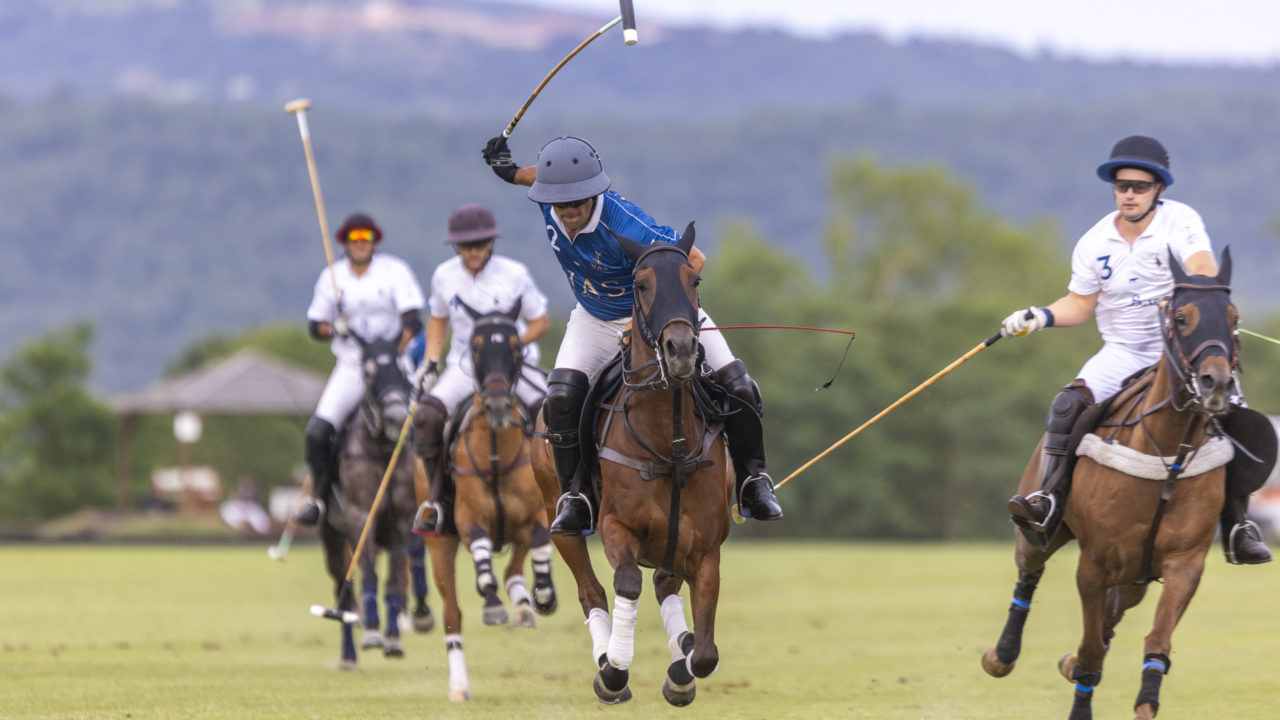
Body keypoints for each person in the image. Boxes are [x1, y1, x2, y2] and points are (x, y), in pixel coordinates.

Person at [481, 133, 783, 536]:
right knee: (560, 398)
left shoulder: (624, 221)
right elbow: (548, 179)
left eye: (578, 201)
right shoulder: (552, 201)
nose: (568, 209)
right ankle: (577, 497)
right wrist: (511, 172)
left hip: (658, 317)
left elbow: (692, 259)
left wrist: (646, 321)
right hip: (592, 318)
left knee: (739, 385)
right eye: (560, 201)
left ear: (593, 192)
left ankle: (753, 481)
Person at [1000, 135, 1271, 564]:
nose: (1129, 193)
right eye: (1122, 185)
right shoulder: (1094, 243)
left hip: (1182, 353)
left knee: (1237, 417)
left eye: (1140, 186)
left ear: (1158, 189)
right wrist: (1041, 315)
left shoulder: (1179, 222)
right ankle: (1047, 501)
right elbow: (1080, 304)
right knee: (1067, 406)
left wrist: (1186, 293)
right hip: (1123, 350)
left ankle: (1238, 523)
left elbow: (1203, 267)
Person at [411, 202, 552, 535]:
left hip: (513, 366)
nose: (472, 251)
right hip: (465, 365)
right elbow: (437, 321)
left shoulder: (514, 274)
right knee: (428, 417)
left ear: (491, 243)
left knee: (552, 413)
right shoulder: (444, 276)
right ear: (456, 245)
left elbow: (540, 321)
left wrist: (514, 344)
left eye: (479, 244)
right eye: (465, 245)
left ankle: (566, 495)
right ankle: (437, 500)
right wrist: (430, 360)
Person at [294, 213, 426, 526]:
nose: (361, 244)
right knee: (318, 432)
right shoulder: (332, 276)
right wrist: (334, 328)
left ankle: (435, 498)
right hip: (353, 366)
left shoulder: (395, 271)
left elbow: (413, 320)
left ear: (374, 241)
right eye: (355, 239)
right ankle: (319, 498)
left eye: (366, 238)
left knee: (428, 424)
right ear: (344, 243)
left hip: (395, 364)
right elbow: (316, 326)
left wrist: (390, 354)